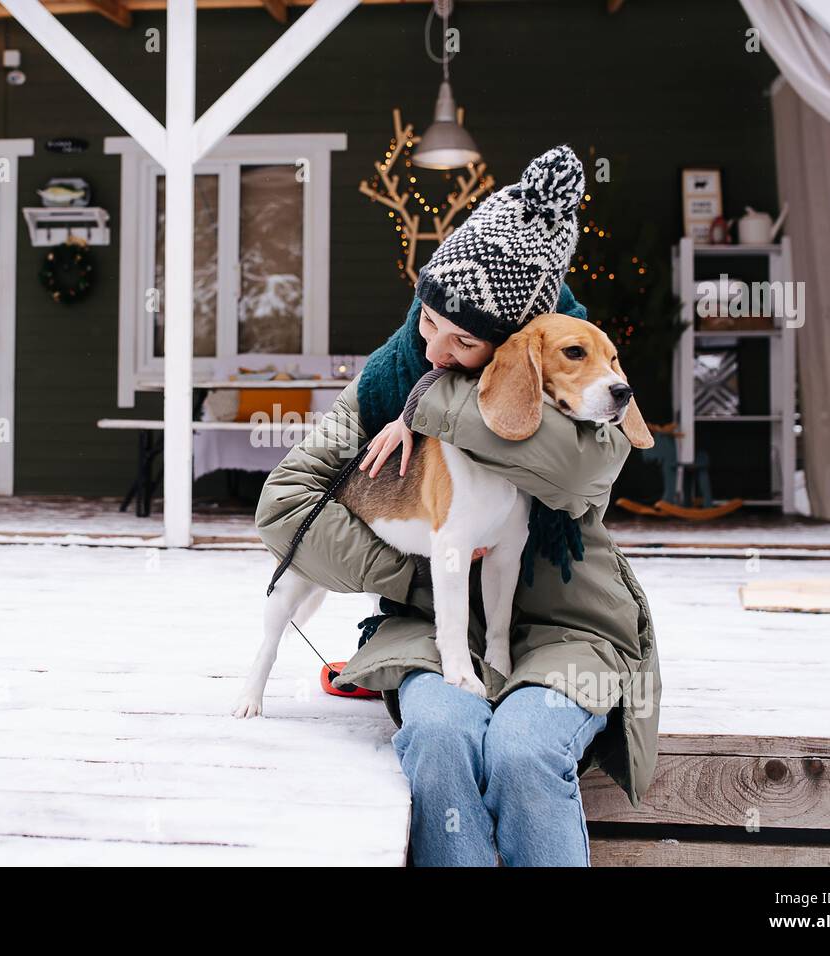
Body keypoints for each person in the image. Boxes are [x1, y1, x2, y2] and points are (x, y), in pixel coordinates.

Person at [255, 145, 661, 866]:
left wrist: (434, 409)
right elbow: (284, 505)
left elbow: (571, 476)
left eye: (463, 338)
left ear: (515, 347)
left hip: (568, 631)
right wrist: (421, 571)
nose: (434, 348)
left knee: (522, 751)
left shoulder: (581, 369)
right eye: (426, 320)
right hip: (426, 626)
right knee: (441, 740)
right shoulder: (388, 379)